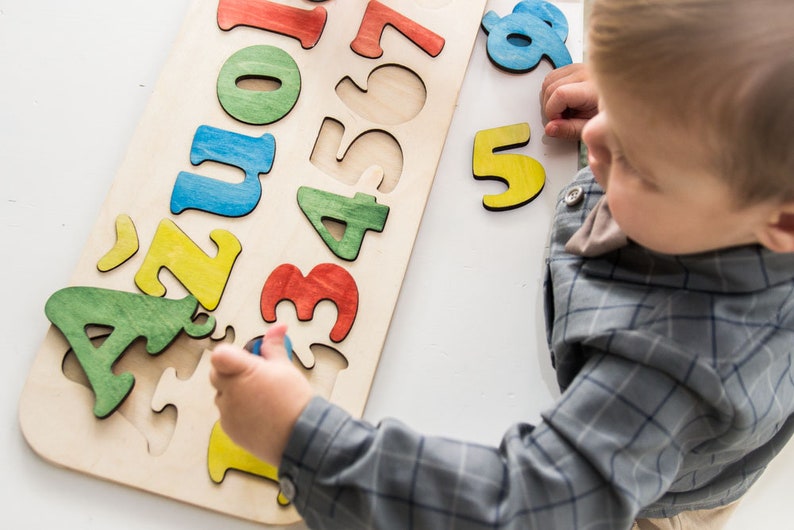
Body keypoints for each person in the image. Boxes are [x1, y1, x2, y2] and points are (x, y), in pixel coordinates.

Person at [209, 0, 794, 527]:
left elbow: (523, 511)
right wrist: (643, 95)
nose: (597, 134)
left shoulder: (669, 367)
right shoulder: (750, 170)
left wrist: (298, 437)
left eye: (640, 158)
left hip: (654, 484)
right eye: (616, 102)